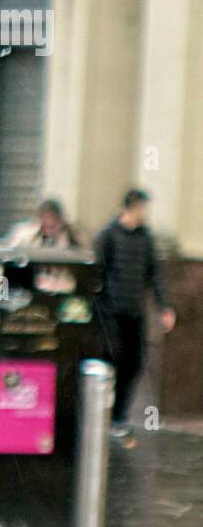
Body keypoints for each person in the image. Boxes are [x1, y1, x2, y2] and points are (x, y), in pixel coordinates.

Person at [94, 189, 176, 441]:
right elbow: (97, 273)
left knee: (133, 363)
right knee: (110, 360)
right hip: (110, 312)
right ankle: (101, 415)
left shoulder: (145, 238)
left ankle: (119, 417)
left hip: (134, 312)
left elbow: (153, 274)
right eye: (142, 208)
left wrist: (164, 306)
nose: (145, 213)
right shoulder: (109, 235)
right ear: (131, 207)